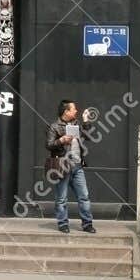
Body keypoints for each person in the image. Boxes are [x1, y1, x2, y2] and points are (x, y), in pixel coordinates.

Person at [46, 100, 95, 234]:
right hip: (63, 166)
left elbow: (89, 136)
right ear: (66, 111)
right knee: (61, 198)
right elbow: (49, 144)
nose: (76, 111)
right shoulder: (54, 126)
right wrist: (61, 141)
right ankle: (63, 223)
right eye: (73, 109)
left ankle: (87, 224)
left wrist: (85, 121)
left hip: (77, 166)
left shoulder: (77, 124)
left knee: (84, 196)